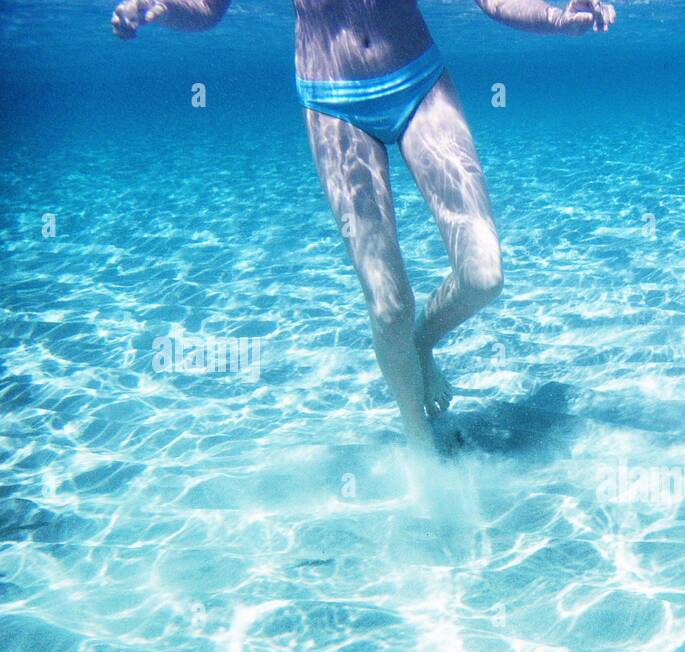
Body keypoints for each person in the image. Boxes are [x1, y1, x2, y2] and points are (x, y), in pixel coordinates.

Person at [111, 0, 615, 452]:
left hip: (419, 83)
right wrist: (159, 7)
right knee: (389, 304)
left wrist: (556, 19)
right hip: (333, 104)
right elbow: (206, 8)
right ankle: (419, 443)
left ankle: (421, 344)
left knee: (483, 274)